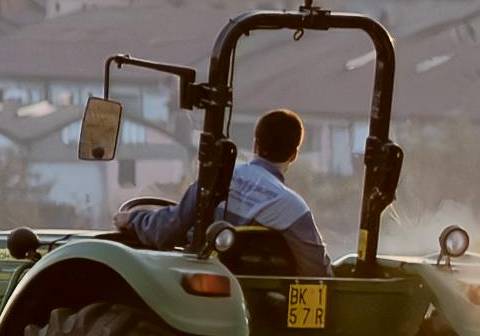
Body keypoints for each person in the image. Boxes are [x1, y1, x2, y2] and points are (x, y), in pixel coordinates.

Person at [130, 104, 331, 272]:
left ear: (255, 145)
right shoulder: (293, 209)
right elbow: (318, 272)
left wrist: (132, 219)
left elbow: (167, 229)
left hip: (199, 282)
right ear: (293, 155)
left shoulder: (216, 179)